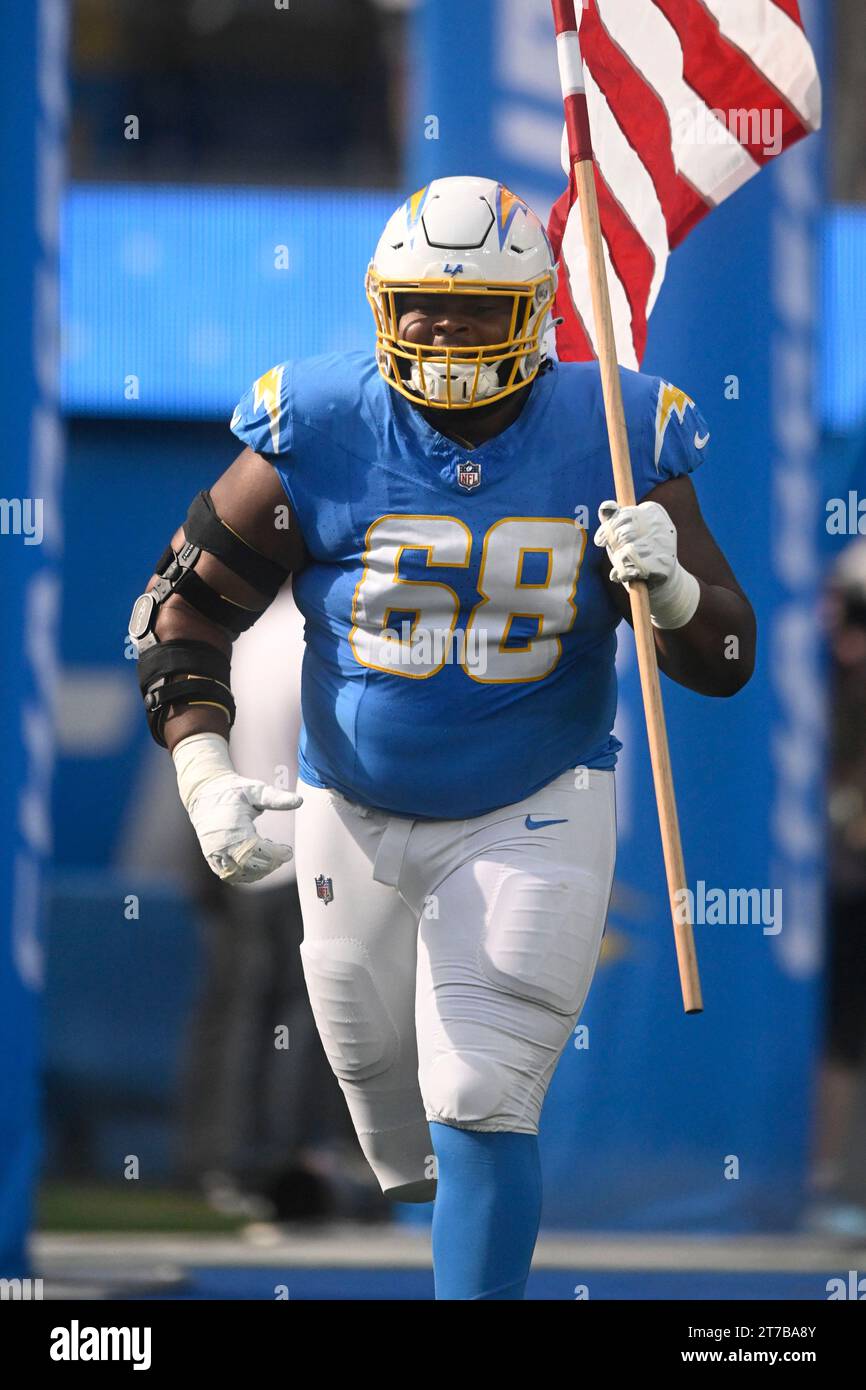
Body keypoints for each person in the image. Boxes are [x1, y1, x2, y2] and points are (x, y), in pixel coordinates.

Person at [128, 176, 756, 1299]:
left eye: (474, 308)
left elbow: (722, 661)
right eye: (420, 304)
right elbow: (181, 610)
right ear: (379, 303)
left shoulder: (613, 428)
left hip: (537, 797)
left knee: (479, 1093)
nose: (443, 329)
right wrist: (204, 770)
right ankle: (416, 1186)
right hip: (348, 804)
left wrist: (663, 592)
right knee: (376, 1085)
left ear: (535, 312)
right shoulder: (317, 422)